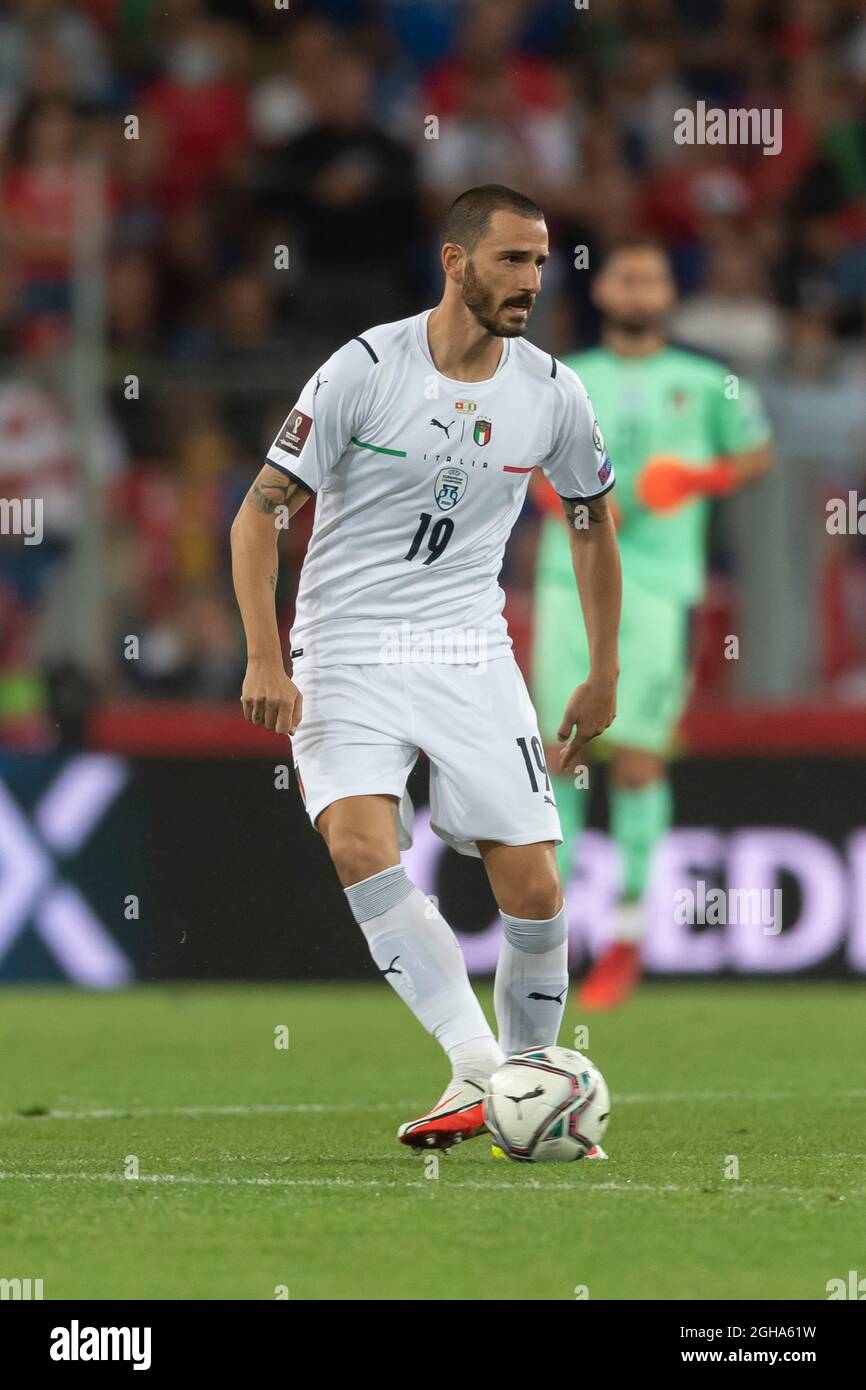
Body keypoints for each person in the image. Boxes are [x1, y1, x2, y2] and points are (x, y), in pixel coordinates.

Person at [230, 184, 621, 1151]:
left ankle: (519, 1088)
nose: (531, 281)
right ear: (456, 263)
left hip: (468, 650)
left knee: (531, 888)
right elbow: (258, 511)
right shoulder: (365, 367)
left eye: (539, 262)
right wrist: (263, 654)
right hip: (349, 646)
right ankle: (487, 1074)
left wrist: (604, 668)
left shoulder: (552, 393)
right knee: (361, 846)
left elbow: (590, 518)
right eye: (511, 261)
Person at [532, 240, 774, 1010]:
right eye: (627, 275)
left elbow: (757, 454)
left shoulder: (707, 381)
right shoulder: (562, 379)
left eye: (654, 275)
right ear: (602, 289)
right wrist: (582, 509)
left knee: (638, 758)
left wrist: (694, 478)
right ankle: (554, 942)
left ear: (670, 290)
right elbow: (526, 469)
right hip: (566, 586)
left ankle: (628, 940)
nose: (639, 288)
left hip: (661, 589)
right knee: (557, 754)